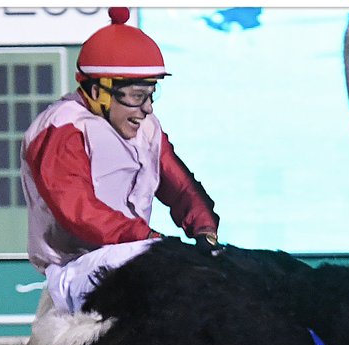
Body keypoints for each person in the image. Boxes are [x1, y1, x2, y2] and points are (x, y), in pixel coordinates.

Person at [21, 7, 220, 313]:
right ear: (98, 90)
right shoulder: (62, 128)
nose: (148, 108)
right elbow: (79, 211)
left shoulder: (147, 128)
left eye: (152, 95)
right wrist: (148, 237)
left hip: (129, 252)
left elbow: (180, 186)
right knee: (162, 263)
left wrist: (204, 230)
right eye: (138, 96)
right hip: (73, 270)